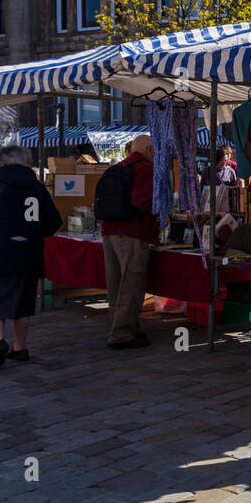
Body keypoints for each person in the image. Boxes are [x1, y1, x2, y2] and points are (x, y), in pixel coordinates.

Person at [0, 145, 62, 367]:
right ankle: (21, 346)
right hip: (29, 253)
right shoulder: (37, 187)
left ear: (0, 163)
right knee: (24, 301)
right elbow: (53, 222)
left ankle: (0, 340)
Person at [100, 133, 157, 349]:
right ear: (150, 150)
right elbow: (142, 201)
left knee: (116, 283)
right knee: (131, 283)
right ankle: (122, 334)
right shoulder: (145, 168)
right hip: (131, 231)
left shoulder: (120, 165)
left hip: (110, 229)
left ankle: (122, 327)